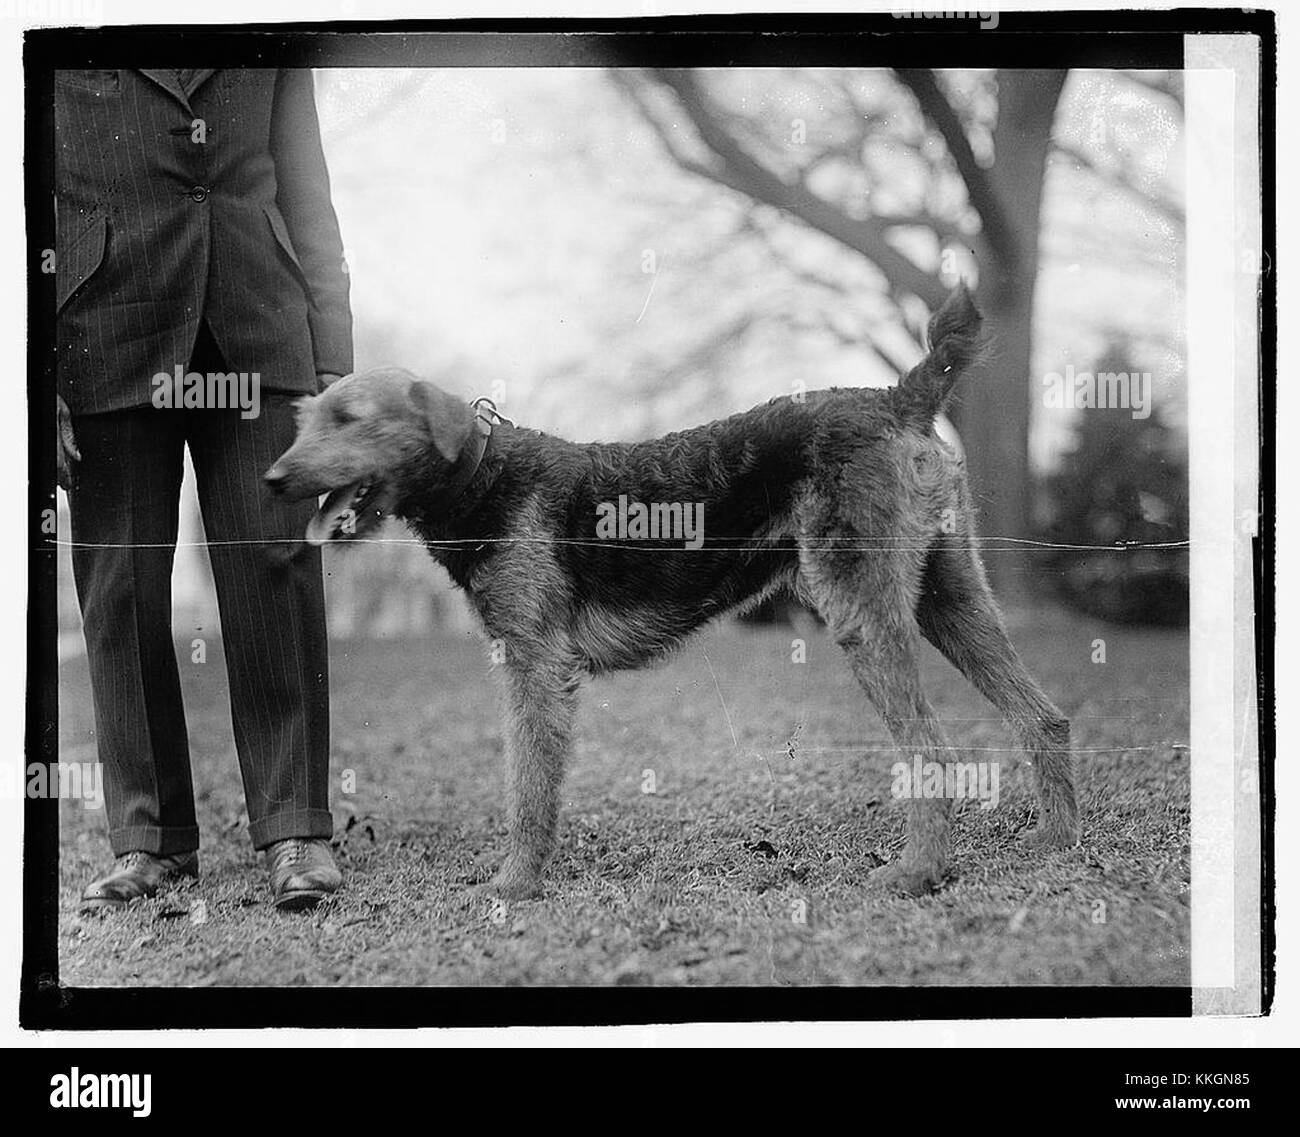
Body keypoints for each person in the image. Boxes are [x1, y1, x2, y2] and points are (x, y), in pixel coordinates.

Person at [56, 68, 351, 911]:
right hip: (100, 331)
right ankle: (149, 841)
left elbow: (308, 191)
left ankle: (296, 825)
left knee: (276, 562)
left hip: (259, 319)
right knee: (122, 585)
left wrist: (332, 353)